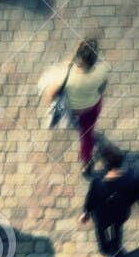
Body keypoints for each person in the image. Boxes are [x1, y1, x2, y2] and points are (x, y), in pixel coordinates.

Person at [44, 39, 110, 174]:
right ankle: (86, 163)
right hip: (93, 108)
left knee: (86, 137)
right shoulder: (102, 71)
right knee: (87, 134)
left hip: (74, 110)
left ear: (78, 56)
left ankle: (87, 162)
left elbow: (50, 94)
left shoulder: (66, 75)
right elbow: (102, 89)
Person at [81, 145, 136, 256]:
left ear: (105, 165)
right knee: (117, 229)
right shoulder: (128, 179)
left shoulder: (97, 183)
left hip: (102, 215)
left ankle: (104, 248)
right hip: (120, 213)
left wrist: (86, 212)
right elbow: (132, 197)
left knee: (101, 230)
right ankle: (116, 247)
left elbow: (91, 200)